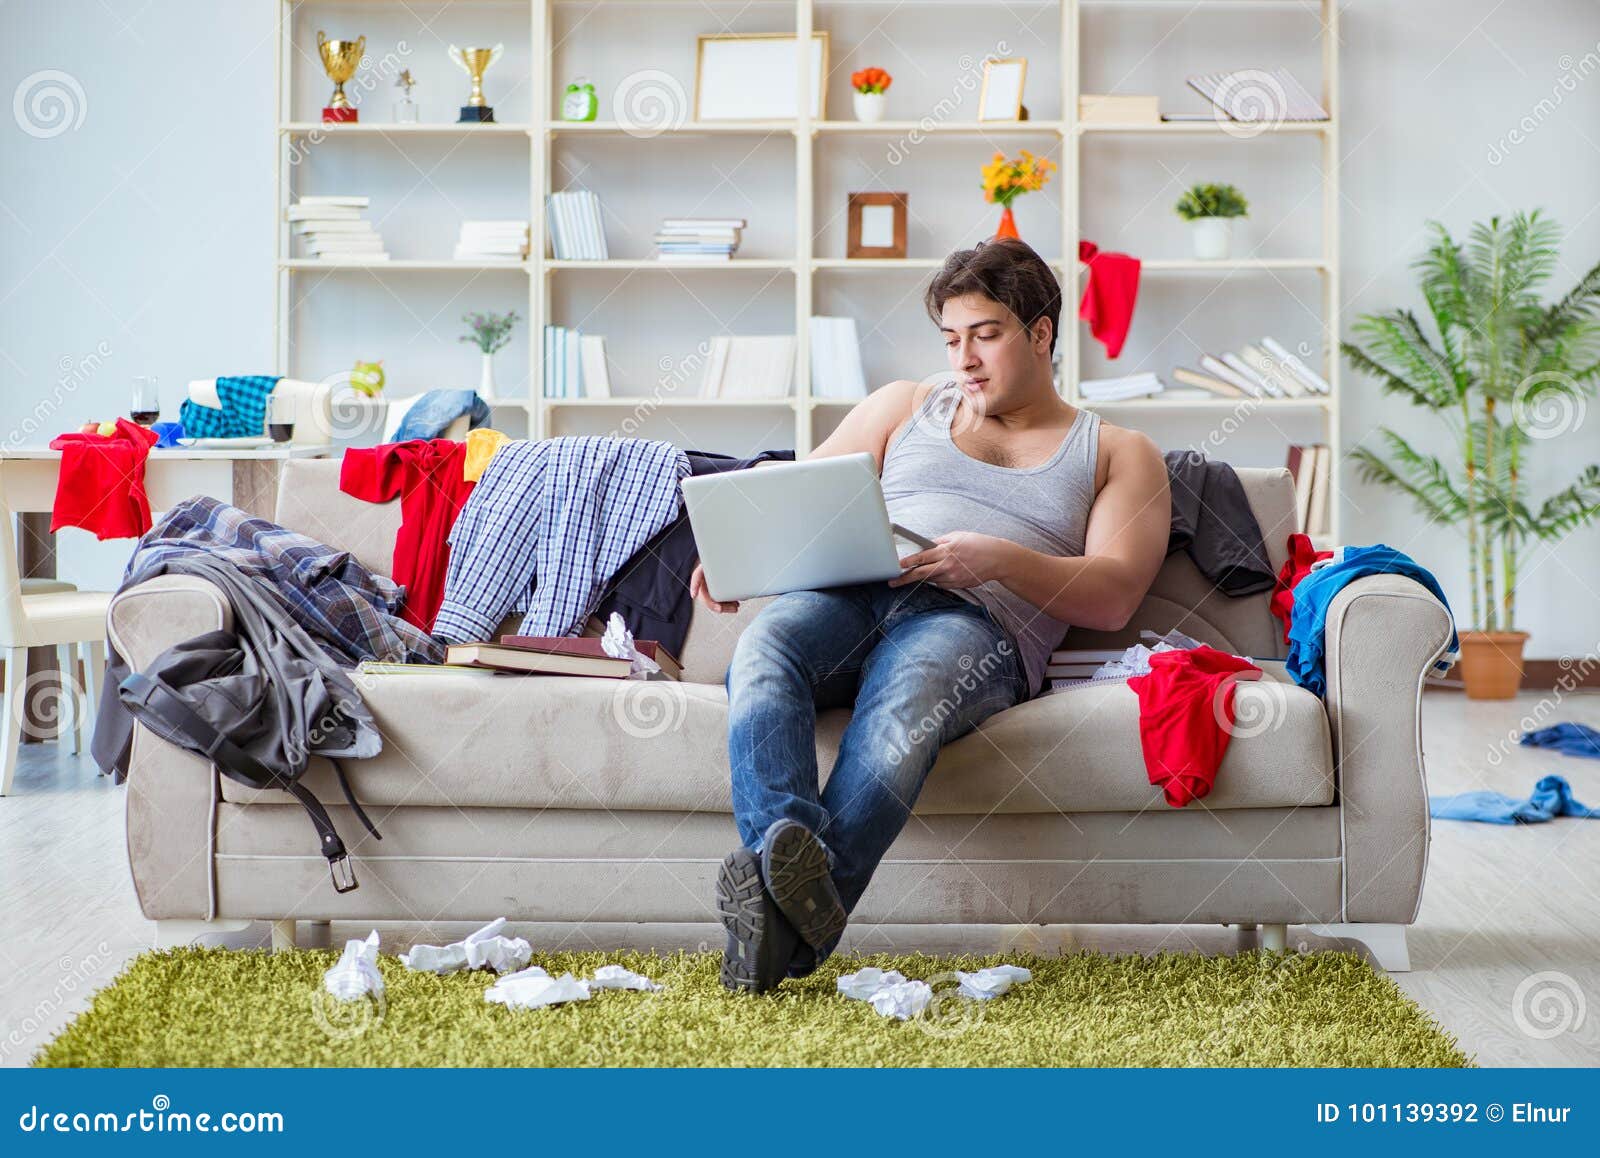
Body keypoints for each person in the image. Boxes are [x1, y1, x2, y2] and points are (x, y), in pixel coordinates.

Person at [690, 238, 1171, 993]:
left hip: (974, 625)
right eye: (951, 339)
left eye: (986, 335)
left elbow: (1112, 594)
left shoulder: (1117, 450)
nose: (964, 360)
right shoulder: (904, 404)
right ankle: (787, 874)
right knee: (763, 650)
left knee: (905, 704)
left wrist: (999, 561)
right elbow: (792, 498)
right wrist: (735, 554)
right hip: (848, 592)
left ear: (1040, 333)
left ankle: (779, 929)